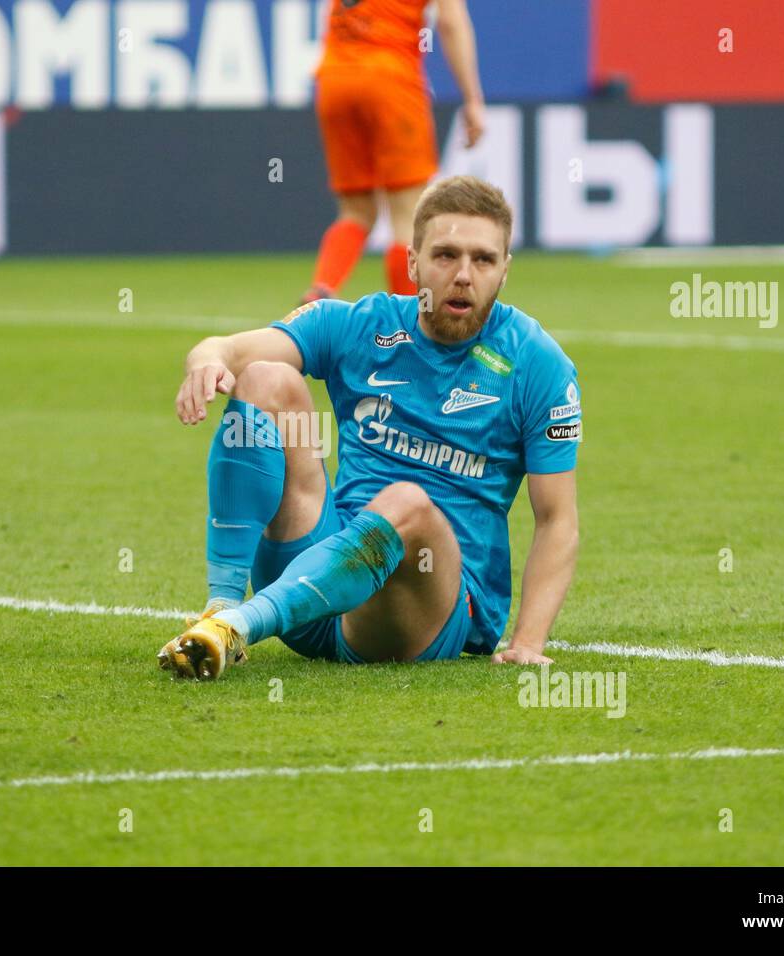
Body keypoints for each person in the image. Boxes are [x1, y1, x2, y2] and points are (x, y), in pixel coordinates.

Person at [161, 176, 580, 680]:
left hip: (421, 612)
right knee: (265, 378)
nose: (464, 275)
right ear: (411, 261)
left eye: (483, 259)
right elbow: (227, 348)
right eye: (445, 255)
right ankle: (219, 607)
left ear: (505, 270)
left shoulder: (537, 363)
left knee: (408, 503)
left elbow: (557, 518)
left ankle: (241, 624)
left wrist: (528, 643)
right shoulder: (364, 324)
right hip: (315, 584)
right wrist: (206, 361)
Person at [301, 0, 486, 304]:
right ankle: (406, 322)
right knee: (409, 214)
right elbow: (451, 20)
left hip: (335, 78)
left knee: (356, 211)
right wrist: (473, 99)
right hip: (390, 78)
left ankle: (322, 289)